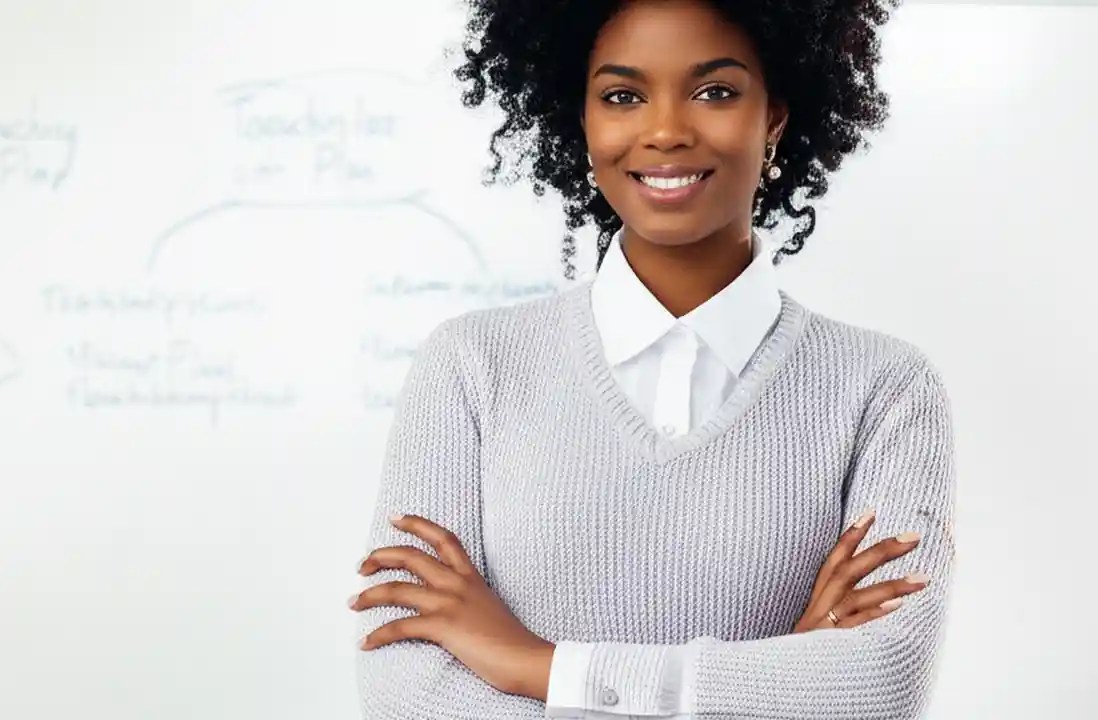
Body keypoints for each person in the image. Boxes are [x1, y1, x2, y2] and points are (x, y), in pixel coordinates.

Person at [350, 0, 956, 717]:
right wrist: (771, 684)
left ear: (776, 118)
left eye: (716, 92)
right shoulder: (470, 367)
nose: (666, 129)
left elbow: (883, 685)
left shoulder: (885, 390)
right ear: (582, 120)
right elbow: (405, 691)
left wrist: (537, 666)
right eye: (622, 96)